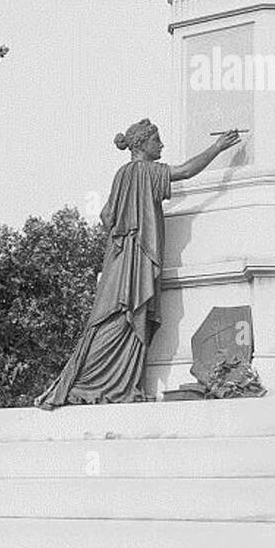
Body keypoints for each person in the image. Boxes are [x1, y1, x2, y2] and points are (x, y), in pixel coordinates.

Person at [34, 120, 241, 408]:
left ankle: (96, 380)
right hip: (136, 261)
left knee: (116, 316)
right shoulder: (146, 172)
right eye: (157, 140)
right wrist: (218, 147)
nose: (162, 145)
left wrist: (128, 227)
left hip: (120, 259)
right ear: (142, 143)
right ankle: (92, 382)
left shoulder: (122, 174)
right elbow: (185, 171)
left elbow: (106, 216)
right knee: (126, 316)